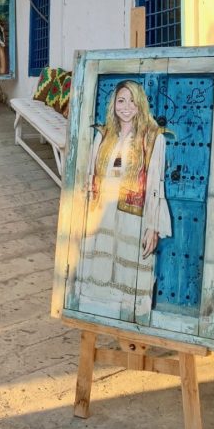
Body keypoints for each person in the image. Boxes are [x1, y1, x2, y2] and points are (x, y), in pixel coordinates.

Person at [73, 80, 172, 326]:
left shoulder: (153, 139)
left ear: (140, 104)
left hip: (133, 217)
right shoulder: (103, 134)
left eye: (132, 101)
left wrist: (153, 225)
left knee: (129, 276)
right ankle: (100, 321)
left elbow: (156, 185)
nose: (126, 107)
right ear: (113, 104)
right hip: (102, 215)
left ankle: (129, 323)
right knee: (100, 269)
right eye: (121, 101)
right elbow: (90, 174)